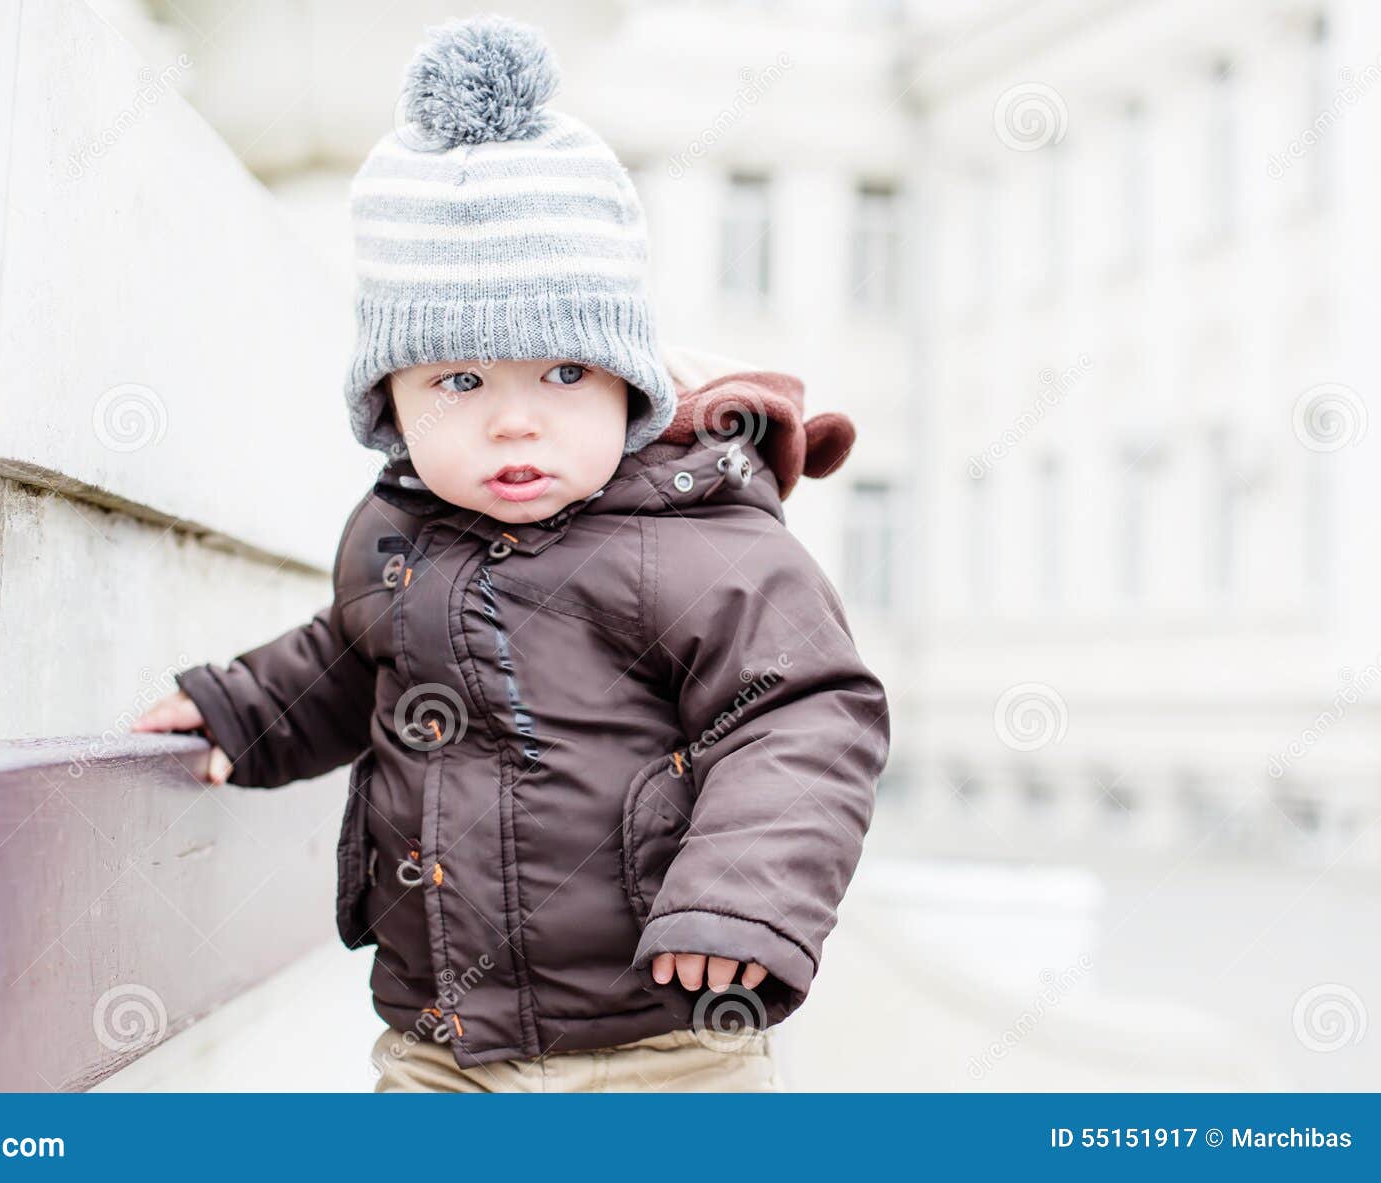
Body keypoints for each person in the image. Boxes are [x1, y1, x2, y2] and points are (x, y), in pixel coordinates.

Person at [135, 12, 890, 1093]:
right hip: (441, 1042)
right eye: (458, 381)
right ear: (389, 405)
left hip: (663, 1043)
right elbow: (346, 664)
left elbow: (803, 717)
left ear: (628, 380)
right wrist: (242, 710)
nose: (514, 421)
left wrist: (740, 900)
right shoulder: (394, 537)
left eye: (563, 374)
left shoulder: (707, 546)